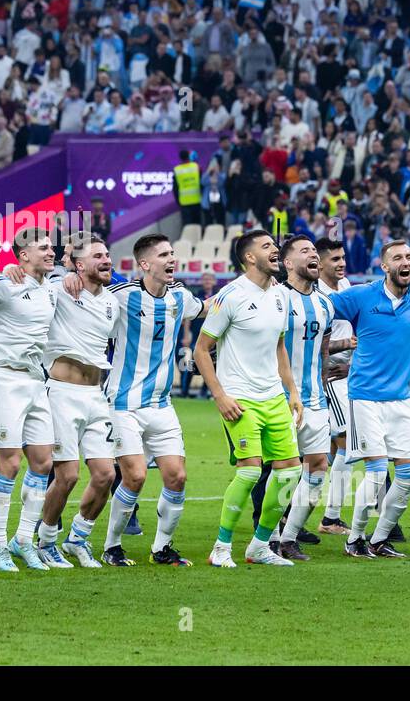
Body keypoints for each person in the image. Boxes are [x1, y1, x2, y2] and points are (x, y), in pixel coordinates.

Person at [193, 230, 304, 569]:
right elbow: (201, 350)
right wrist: (220, 396)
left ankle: (259, 545)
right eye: (267, 246)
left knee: (290, 472)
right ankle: (221, 547)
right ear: (250, 257)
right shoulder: (230, 296)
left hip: (274, 397)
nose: (276, 249)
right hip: (240, 398)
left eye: (275, 245)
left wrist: (292, 391)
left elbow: (279, 346)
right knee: (250, 471)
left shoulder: (281, 295)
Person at [328, 240, 410, 558]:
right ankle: (355, 539)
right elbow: (320, 308)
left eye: (409, 257)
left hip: (401, 399)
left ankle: (378, 540)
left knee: (408, 474)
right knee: (377, 472)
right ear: (384, 266)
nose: (405, 262)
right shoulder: (361, 295)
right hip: (365, 397)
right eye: (398, 257)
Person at [103, 234, 204, 566]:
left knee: (177, 476)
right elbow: (87, 301)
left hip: (161, 405)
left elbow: (210, 307)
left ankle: (162, 548)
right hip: (123, 404)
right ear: (145, 264)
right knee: (134, 476)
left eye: (172, 253)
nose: (172, 259)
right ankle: (112, 546)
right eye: (163, 255)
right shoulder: (122, 297)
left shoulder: (180, 297)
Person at [32, 233, 120, 569]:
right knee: (67, 476)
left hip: (96, 395)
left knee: (105, 475)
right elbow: (30, 281)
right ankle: (46, 541)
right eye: (98, 256)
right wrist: (62, 273)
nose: (106, 260)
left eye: (107, 254)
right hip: (62, 394)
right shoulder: (59, 288)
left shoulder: (112, 301)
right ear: (79, 264)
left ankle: (78, 539)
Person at [0, 228, 59, 572]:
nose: (51, 252)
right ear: (23, 255)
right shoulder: (3, 284)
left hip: (36, 379)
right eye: (43, 248)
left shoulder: (53, 288)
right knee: (9, 464)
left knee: (43, 462)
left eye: (52, 247)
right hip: (3, 378)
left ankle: (23, 540)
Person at [273, 234, 335, 562]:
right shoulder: (276, 298)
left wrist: (324, 388)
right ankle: (268, 537)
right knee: (280, 470)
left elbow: (322, 351)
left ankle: (289, 538)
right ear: (287, 263)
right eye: (304, 250)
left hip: (315, 399)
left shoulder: (325, 304)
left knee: (319, 465)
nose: (314, 254)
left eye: (314, 250)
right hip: (279, 397)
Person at [315, 237, 356, 535]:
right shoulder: (316, 293)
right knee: (348, 443)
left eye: (343, 258)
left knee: (325, 450)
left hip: (347, 375)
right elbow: (311, 342)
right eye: (335, 259)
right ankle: (330, 518)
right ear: (319, 263)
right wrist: (344, 345)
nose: (341, 264)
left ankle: (292, 513)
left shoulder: (346, 286)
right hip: (329, 377)